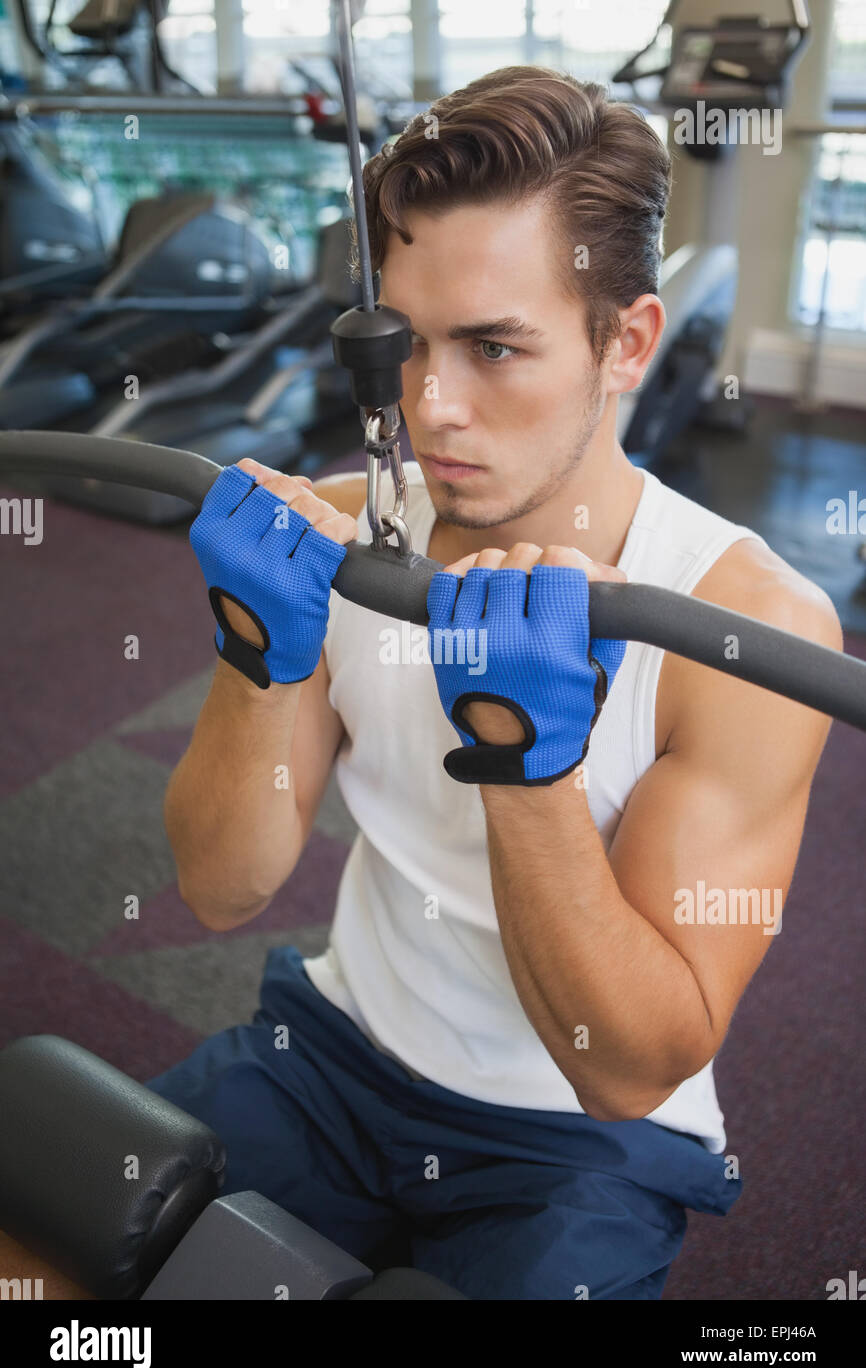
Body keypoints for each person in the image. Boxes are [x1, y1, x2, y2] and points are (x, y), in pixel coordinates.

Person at [4, 66, 840, 1301]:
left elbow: (629, 1064)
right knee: (37, 1247)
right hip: (331, 1056)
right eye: (407, 343)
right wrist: (256, 653)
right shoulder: (351, 537)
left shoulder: (749, 628)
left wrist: (524, 764)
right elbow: (222, 886)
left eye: (494, 346)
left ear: (627, 343)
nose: (428, 409)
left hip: (577, 1140)